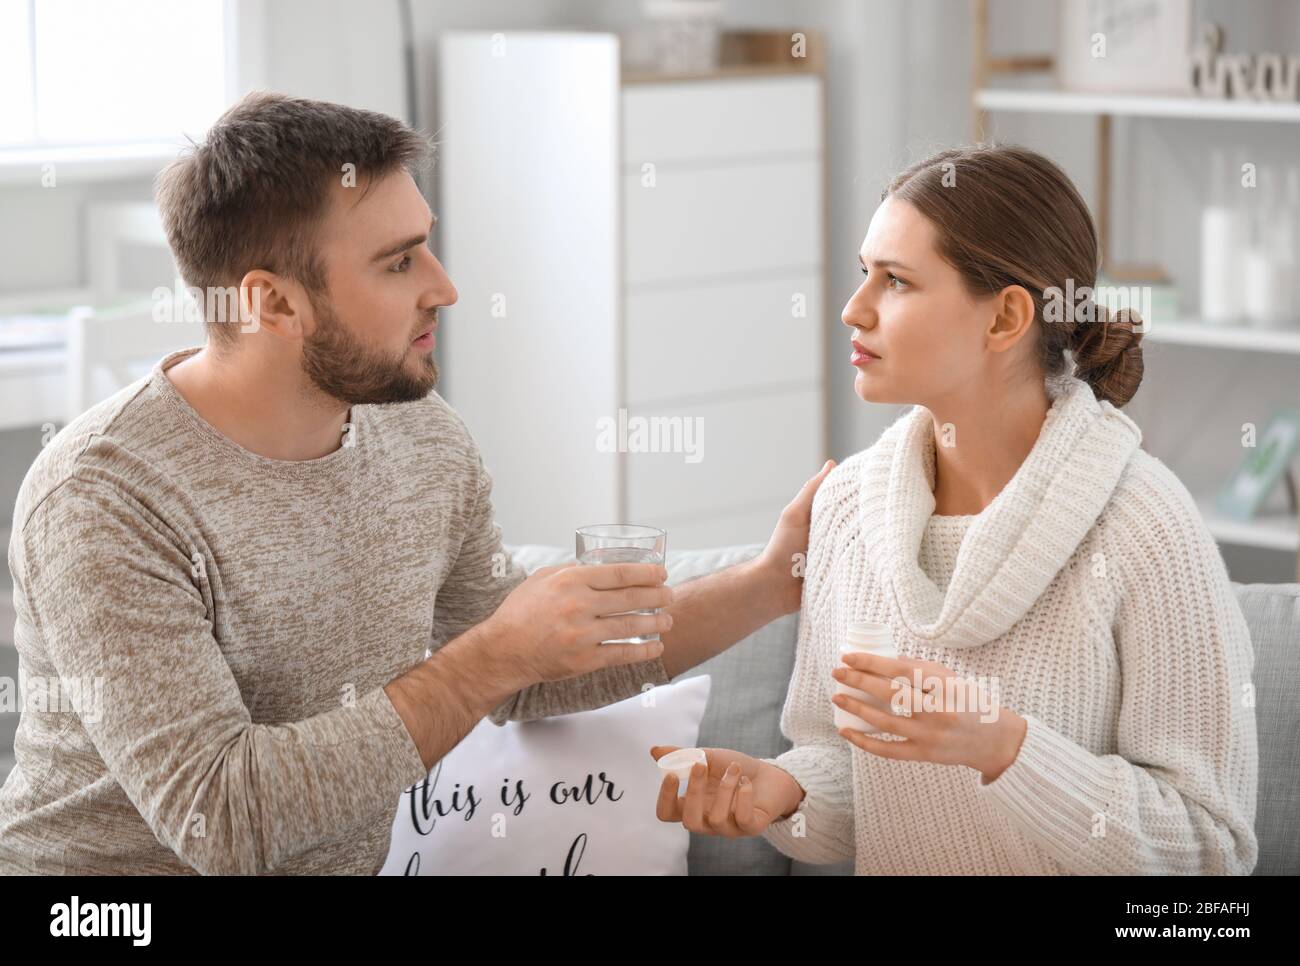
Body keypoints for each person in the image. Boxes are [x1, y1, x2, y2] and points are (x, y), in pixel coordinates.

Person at [0, 92, 832, 874]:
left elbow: (531, 670)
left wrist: (769, 584)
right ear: (274, 305)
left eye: (425, 244)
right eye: (398, 264)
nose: (445, 286)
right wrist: (488, 658)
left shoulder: (417, 431)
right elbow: (220, 817)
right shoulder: (102, 498)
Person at [651, 143, 1259, 875]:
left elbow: (1209, 848)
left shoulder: (1144, 522)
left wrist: (1003, 748)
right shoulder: (848, 510)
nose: (853, 309)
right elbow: (851, 784)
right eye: (863, 273)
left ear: (1005, 319)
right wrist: (787, 792)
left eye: (897, 281)